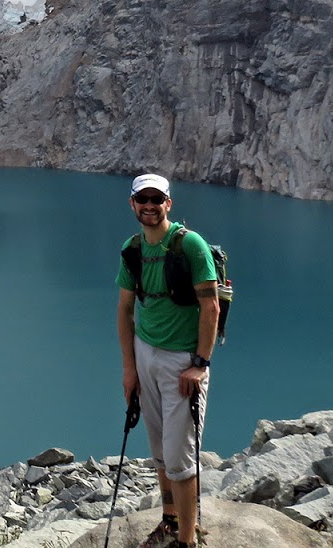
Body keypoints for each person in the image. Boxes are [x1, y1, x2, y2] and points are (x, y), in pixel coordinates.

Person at [116, 173, 219, 548]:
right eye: (142, 199)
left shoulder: (191, 245)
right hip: (146, 354)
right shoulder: (133, 248)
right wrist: (130, 368)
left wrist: (200, 364)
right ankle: (170, 520)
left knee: (180, 456)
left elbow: (211, 307)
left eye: (156, 199)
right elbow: (125, 309)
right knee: (160, 450)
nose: (149, 206)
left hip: (182, 362)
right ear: (132, 204)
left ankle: (187, 541)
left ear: (168, 204)